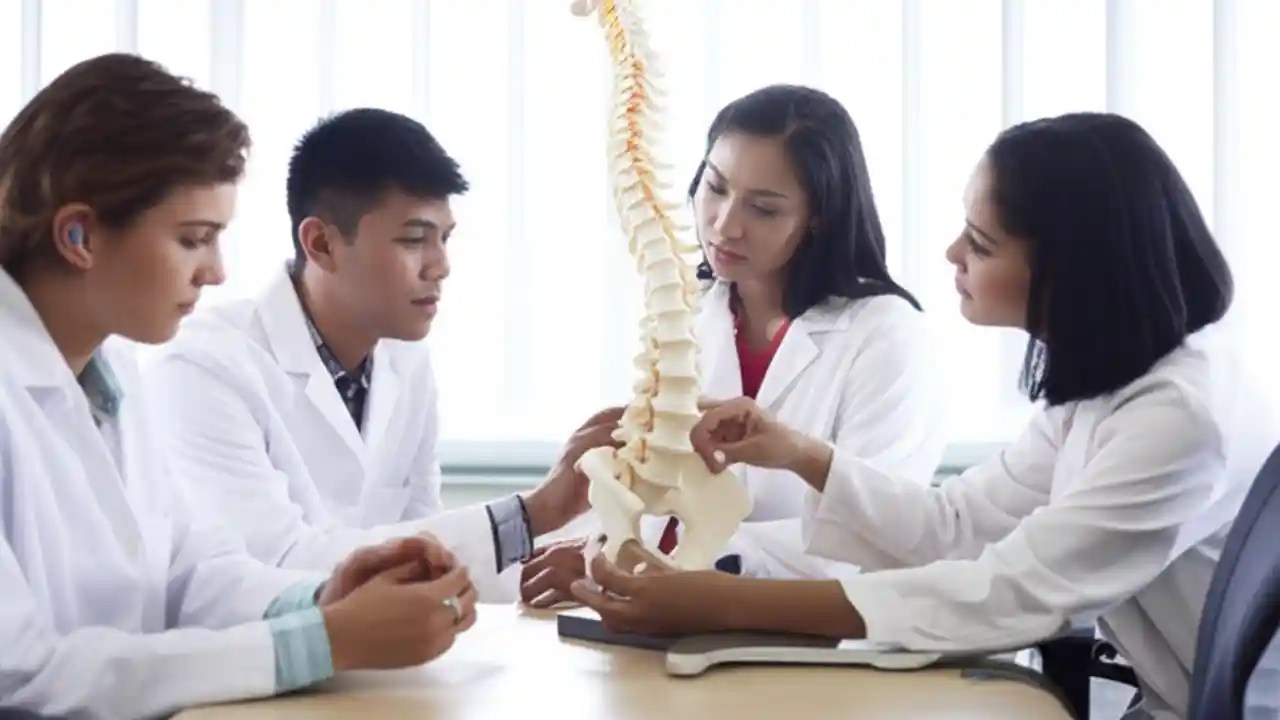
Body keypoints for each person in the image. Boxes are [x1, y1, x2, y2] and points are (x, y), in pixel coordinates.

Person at [570, 112, 1280, 720]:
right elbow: (957, 526)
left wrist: (724, 603)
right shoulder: (1111, 385)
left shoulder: (1179, 417)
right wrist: (800, 454)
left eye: (981, 244)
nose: (952, 255)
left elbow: (1010, 592)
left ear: (1073, 270)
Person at [0, 53, 480, 719]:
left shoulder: (111, 372)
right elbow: (20, 676)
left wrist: (322, 599)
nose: (216, 272)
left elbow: (188, 573)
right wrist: (323, 642)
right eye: (193, 239)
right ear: (78, 235)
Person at [147, 108, 620, 601]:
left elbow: (428, 553)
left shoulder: (406, 362)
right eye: (414, 240)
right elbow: (276, 567)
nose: (440, 266)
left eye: (445, 238)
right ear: (321, 244)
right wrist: (532, 514)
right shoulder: (204, 369)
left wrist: (546, 569)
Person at [521, 84, 946, 606]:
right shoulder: (688, 315)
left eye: (763, 209)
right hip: (664, 616)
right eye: (715, 187)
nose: (725, 225)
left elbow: (873, 531)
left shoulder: (885, 335)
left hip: (804, 632)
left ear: (818, 217)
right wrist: (603, 549)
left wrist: (665, 563)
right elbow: (656, 497)